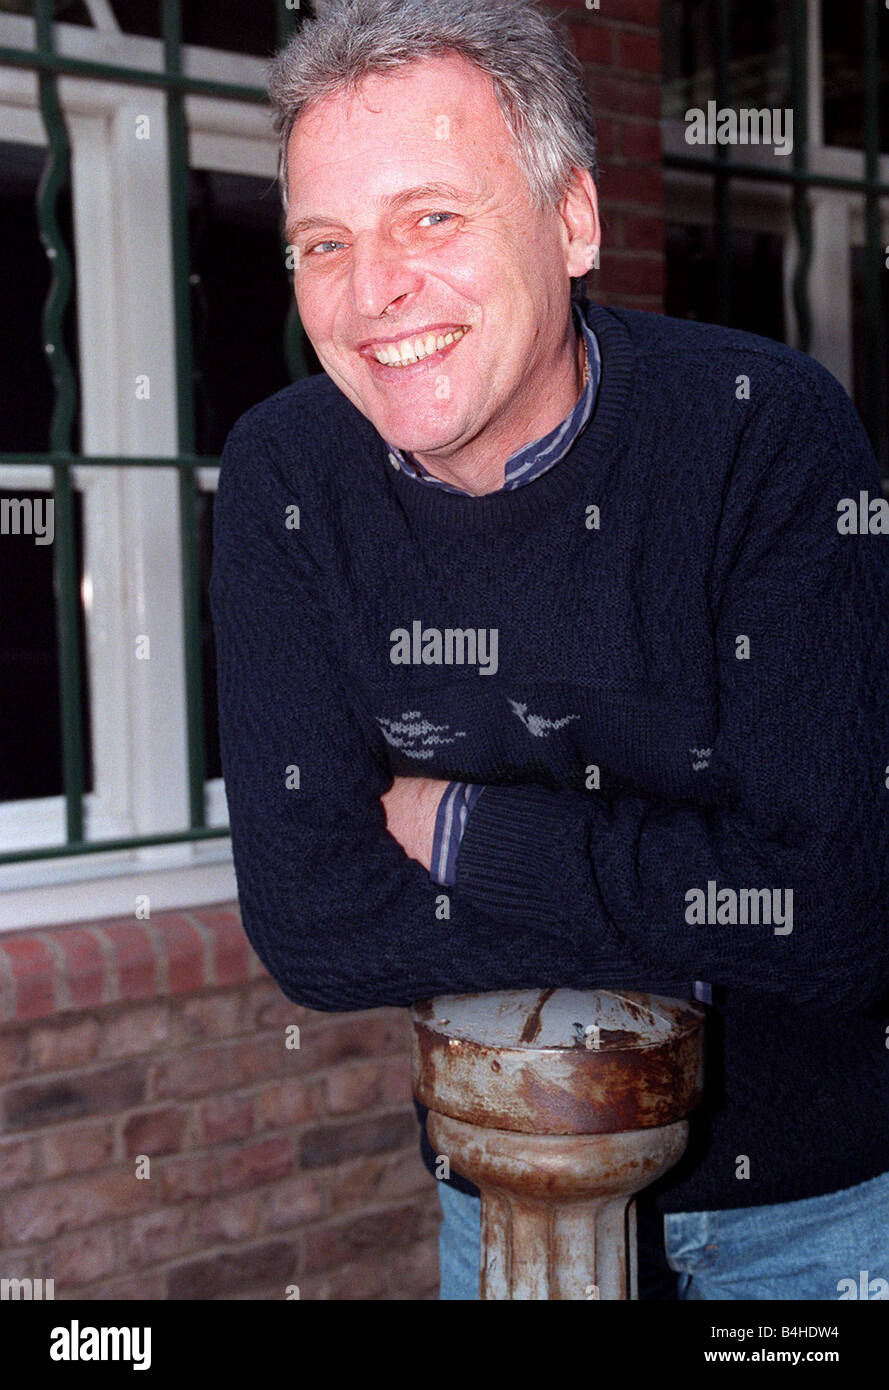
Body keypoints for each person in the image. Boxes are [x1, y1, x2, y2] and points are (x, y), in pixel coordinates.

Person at [210, 0, 889, 1300]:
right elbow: (313, 927)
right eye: (323, 240)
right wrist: (705, 889)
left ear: (571, 220)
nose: (372, 291)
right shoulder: (285, 474)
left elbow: (838, 916)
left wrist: (465, 833)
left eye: (431, 217)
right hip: (506, 1176)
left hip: (818, 1210)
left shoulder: (765, 435)